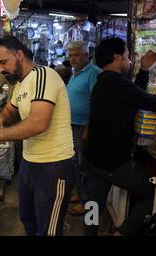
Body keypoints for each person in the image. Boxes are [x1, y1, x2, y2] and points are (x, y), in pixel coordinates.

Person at [0, 35, 77, 236]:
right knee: (28, 220)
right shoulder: (21, 85)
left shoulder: (44, 75)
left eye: (4, 62)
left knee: (48, 230)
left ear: (19, 55)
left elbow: (38, 123)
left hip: (54, 165)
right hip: (31, 163)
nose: (1, 69)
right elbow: (10, 109)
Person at [84, 37, 156, 236]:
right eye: (127, 57)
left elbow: (134, 96)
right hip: (112, 163)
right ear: (117, 57)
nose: (129, 62)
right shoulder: (116, 83)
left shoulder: (105, 81)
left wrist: (143, 70)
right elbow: (151, 102)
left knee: (92, 204)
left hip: (93, 159)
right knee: (153, 194)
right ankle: (122, 233)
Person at [65, 41, 102, 216]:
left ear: (87, 55)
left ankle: (87, 203)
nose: (72, 58)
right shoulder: (75, 73)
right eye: (70, 55)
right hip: (71, 125)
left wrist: (89, 127)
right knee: (74, 163)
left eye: (76, 55)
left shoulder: (93, 74)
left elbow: (98, 103)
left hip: (83, 126)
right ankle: (80, 195)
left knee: (83, 165)